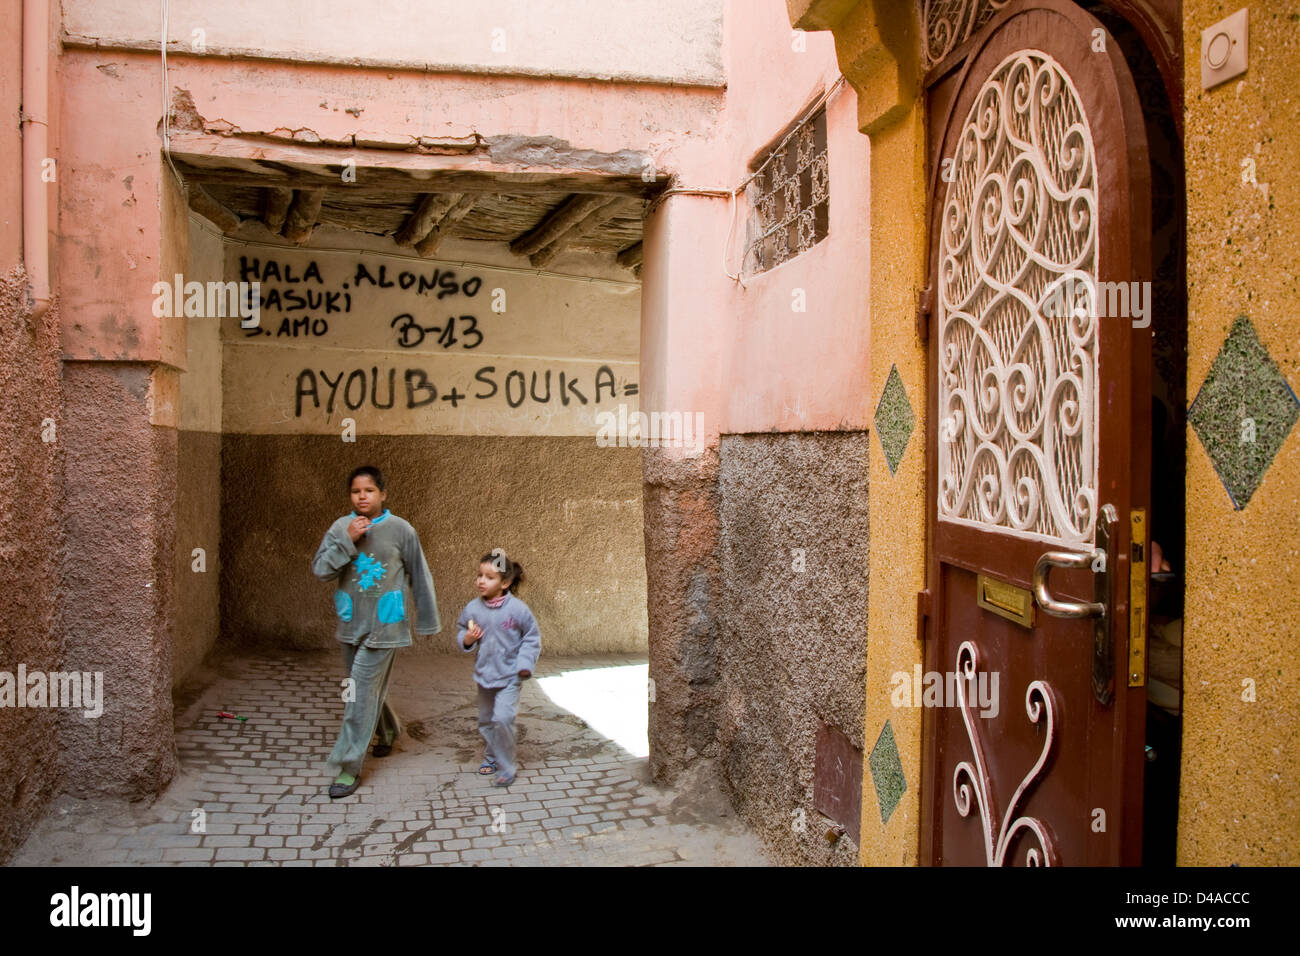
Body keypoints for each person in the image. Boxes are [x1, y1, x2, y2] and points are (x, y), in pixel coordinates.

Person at [312, 465, 440, 799]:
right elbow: (321, 570)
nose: (362, 497)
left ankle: (348, 766)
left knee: (358, 692)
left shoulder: (401, 530)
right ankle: (389, 731)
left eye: (369, 491)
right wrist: (347, 540)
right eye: (356, 492)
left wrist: (428, 620)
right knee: (366, 689)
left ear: (382, 494)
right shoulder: (341, 527)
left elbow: (420, 576)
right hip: (352, 622)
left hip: (386, 625)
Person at [455, 551, 541, 787]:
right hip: (484, 676)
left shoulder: (518, 610)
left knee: (502, 718)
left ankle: (506, 767)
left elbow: (532, 638)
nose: (481, 581)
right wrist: (468, 639)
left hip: (511, 676)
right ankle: (492, 756)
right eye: (479, 575)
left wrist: (524, 664)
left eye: (489, 577)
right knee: (486, 721)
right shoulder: (473, 608)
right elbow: (462, 631)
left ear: (505, 583)